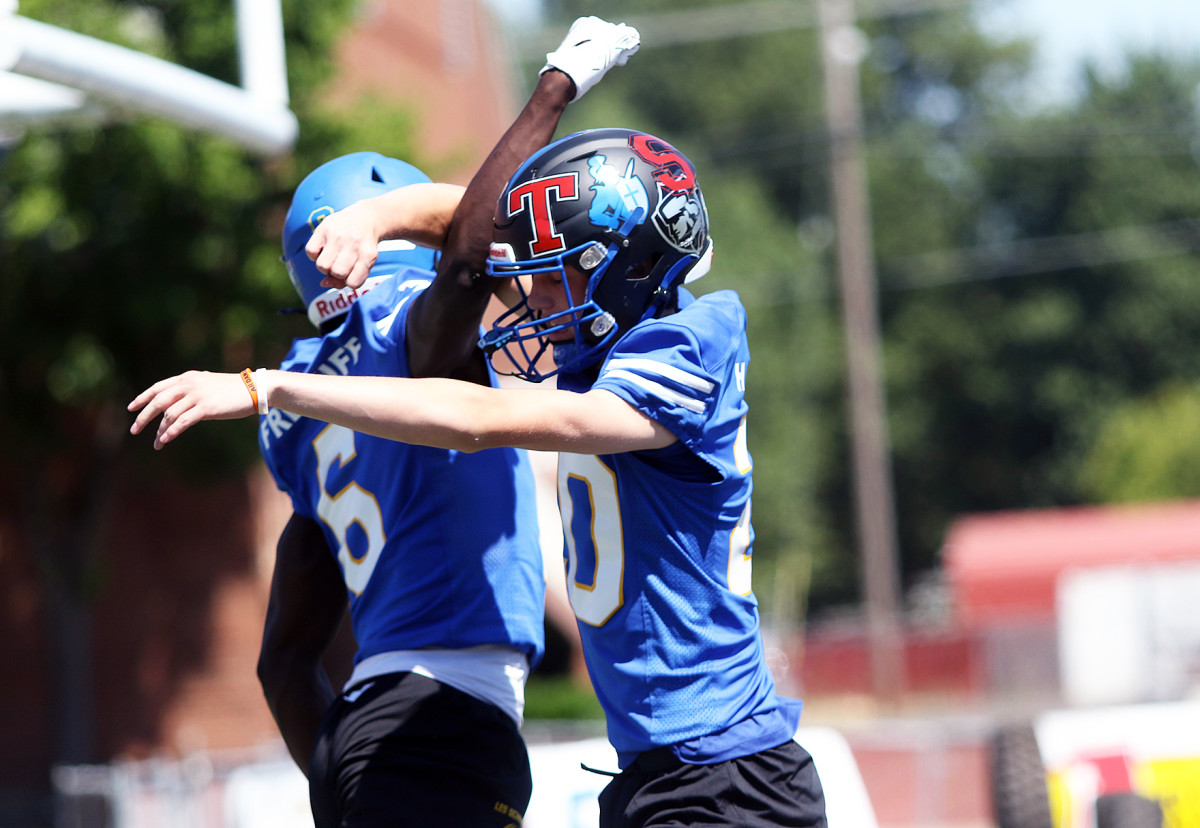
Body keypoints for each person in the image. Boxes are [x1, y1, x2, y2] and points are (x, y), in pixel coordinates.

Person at [129, 59, 827, 828]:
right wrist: (380, 218)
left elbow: (477, 402)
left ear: (629, 269)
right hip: (648, 770)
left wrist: (273, 385)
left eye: (555, 278)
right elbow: (476, 244)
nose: (532, 298)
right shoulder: (597, 354)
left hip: (725, 769)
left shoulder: (692, 345)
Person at [183, 16, 639, 828]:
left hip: (379, 729)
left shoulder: (300, 403)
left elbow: (284, 663)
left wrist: (344, 775)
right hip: (438, 725)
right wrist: (554, 88)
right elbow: (467, 263)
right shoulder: (406, 335)